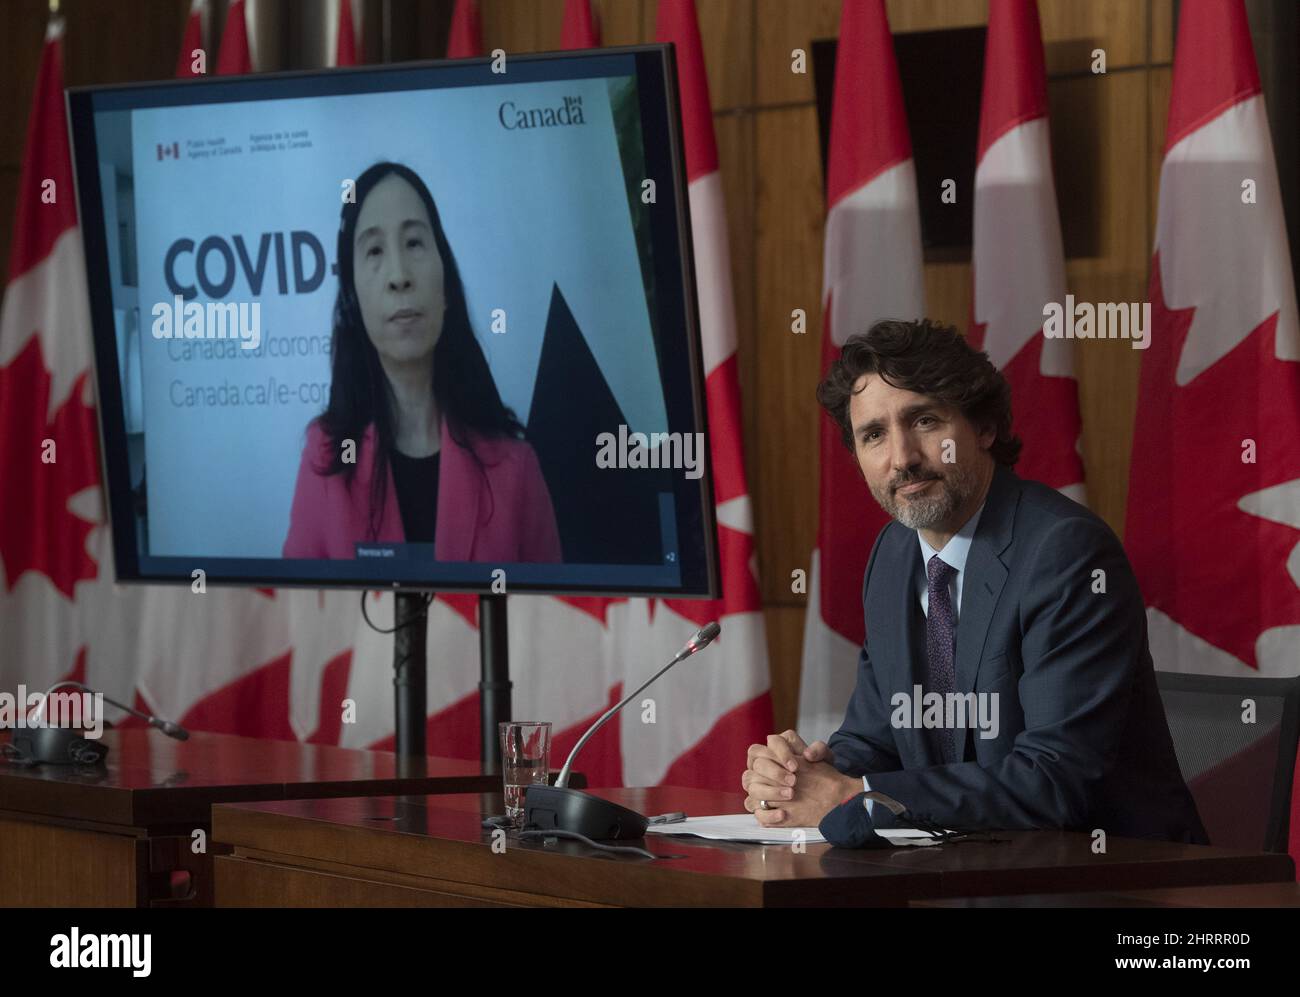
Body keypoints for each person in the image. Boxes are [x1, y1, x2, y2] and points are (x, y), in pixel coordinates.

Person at [743, 318, 1207, 847]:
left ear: (984, 428)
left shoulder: (1065, 553)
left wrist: (857, 797)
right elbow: (879, 738)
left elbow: (1054, 781)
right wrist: (799, 777)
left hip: (1112, 877)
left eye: (923, 422)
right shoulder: (894, 554)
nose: (902, 458)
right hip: (966, 869)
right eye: (874, 435)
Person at [283, 162, 562, 563]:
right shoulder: (325, 459)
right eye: (375, 251)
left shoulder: (516, 468)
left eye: (414, 243)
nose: (399, 275)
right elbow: (303, 618)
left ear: (445, 283)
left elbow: (550, 621)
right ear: (353, 299)